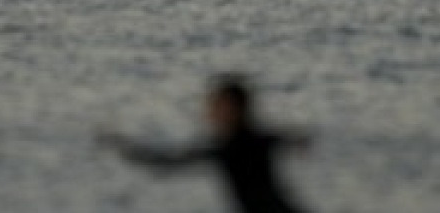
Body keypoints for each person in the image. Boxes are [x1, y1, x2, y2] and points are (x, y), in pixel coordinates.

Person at [98, 74, 311, 213]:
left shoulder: (233, 146)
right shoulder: (239, 142)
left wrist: (122, 147)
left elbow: (168, 162)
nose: (209, 108)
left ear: (233, 109)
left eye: (216, 103)